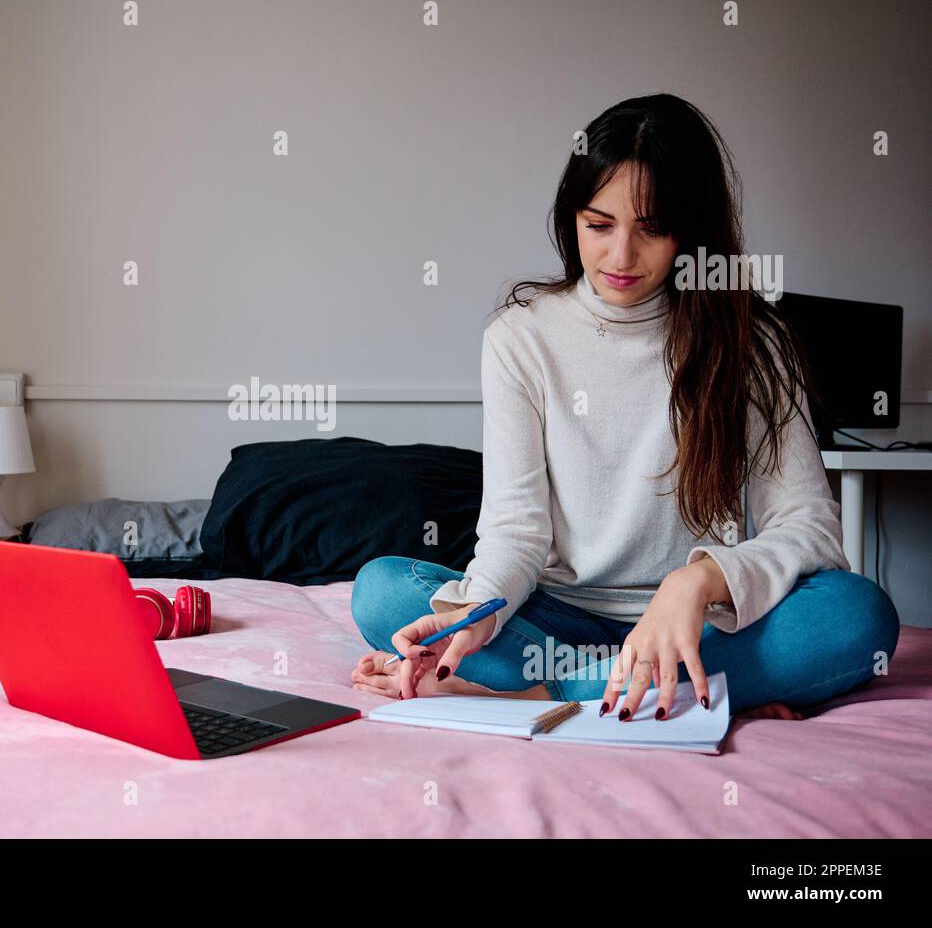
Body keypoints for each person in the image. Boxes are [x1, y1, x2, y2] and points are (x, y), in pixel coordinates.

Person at [349, 94, 899, 720]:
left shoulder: (753, 341)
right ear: (572, 219)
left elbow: (808, 529)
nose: (621, 257)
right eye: (599, 225)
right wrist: (479, 613)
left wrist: (695, 583)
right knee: (382, 593)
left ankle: (539, 695)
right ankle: (669, 686)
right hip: (558, 623)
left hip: (697, 626)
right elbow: (515, 533)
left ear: (690, 230)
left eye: (653, 229)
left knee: (859, 614)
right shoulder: (520, 337)